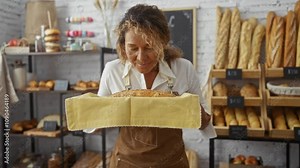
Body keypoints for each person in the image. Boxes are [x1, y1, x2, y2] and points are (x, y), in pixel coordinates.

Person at [97, 4, 216, 168]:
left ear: (163, 42)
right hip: (126, 163)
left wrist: (195, 113)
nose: (141, 57)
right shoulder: (113, 71)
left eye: (149, 47)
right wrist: (92, 115)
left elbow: (205, 122)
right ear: (123, 46)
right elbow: (95, 121)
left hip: (172, 163)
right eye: (133, 48)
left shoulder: (183, 68)